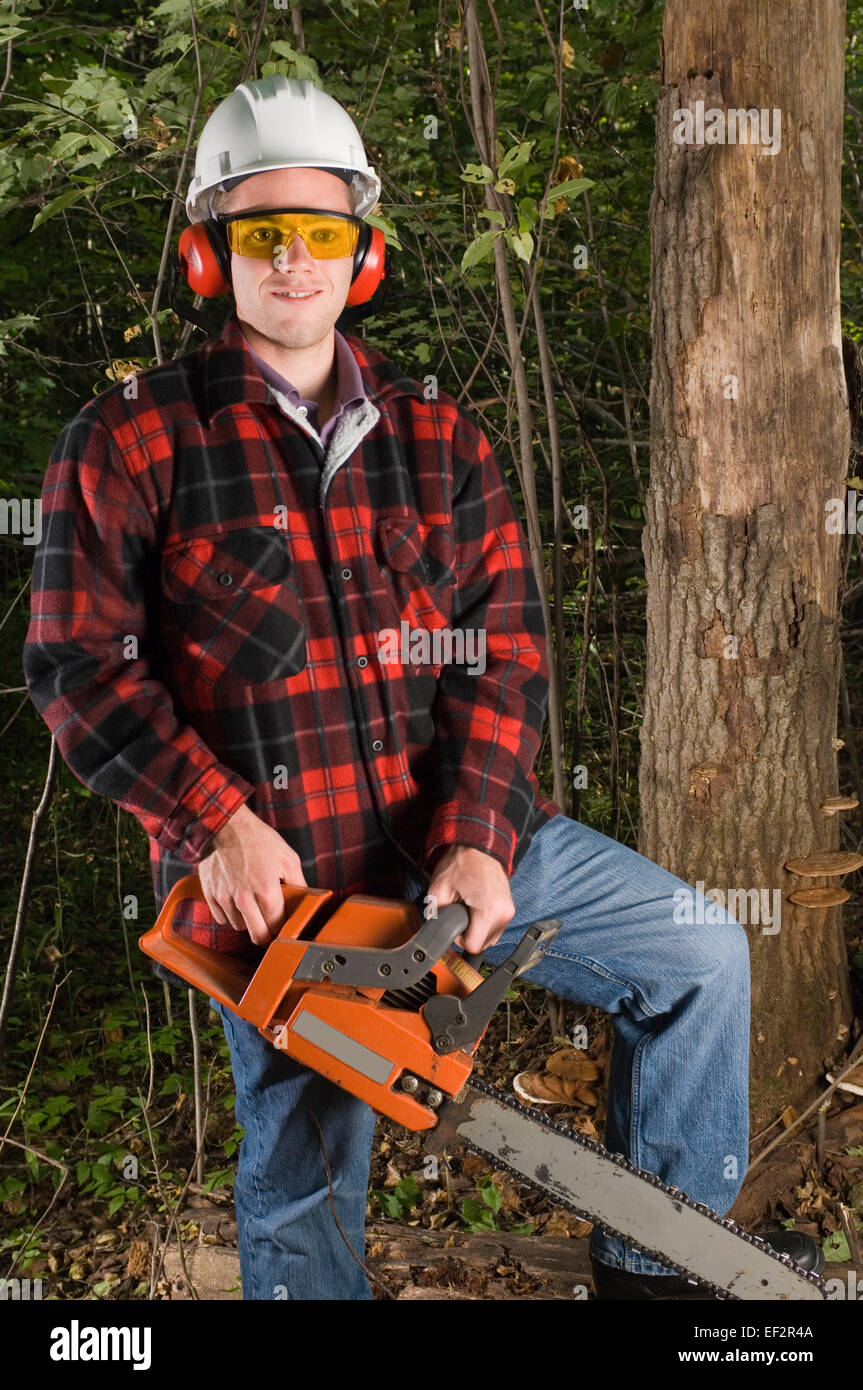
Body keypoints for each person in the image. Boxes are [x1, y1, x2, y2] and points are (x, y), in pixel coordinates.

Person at [23, 75, 821, 1301]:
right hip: (276, 890)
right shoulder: (128, 439)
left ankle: (665, 1282)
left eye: (323, 232)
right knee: (303, 1171)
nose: (295, 261)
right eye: (262, 234)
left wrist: (479, 841)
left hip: (449, 838)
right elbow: (78, 668)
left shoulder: (440, 434)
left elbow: (504, 649)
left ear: (364, 251)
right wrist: (213, 825)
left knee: (701, 953)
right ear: (206, 254)